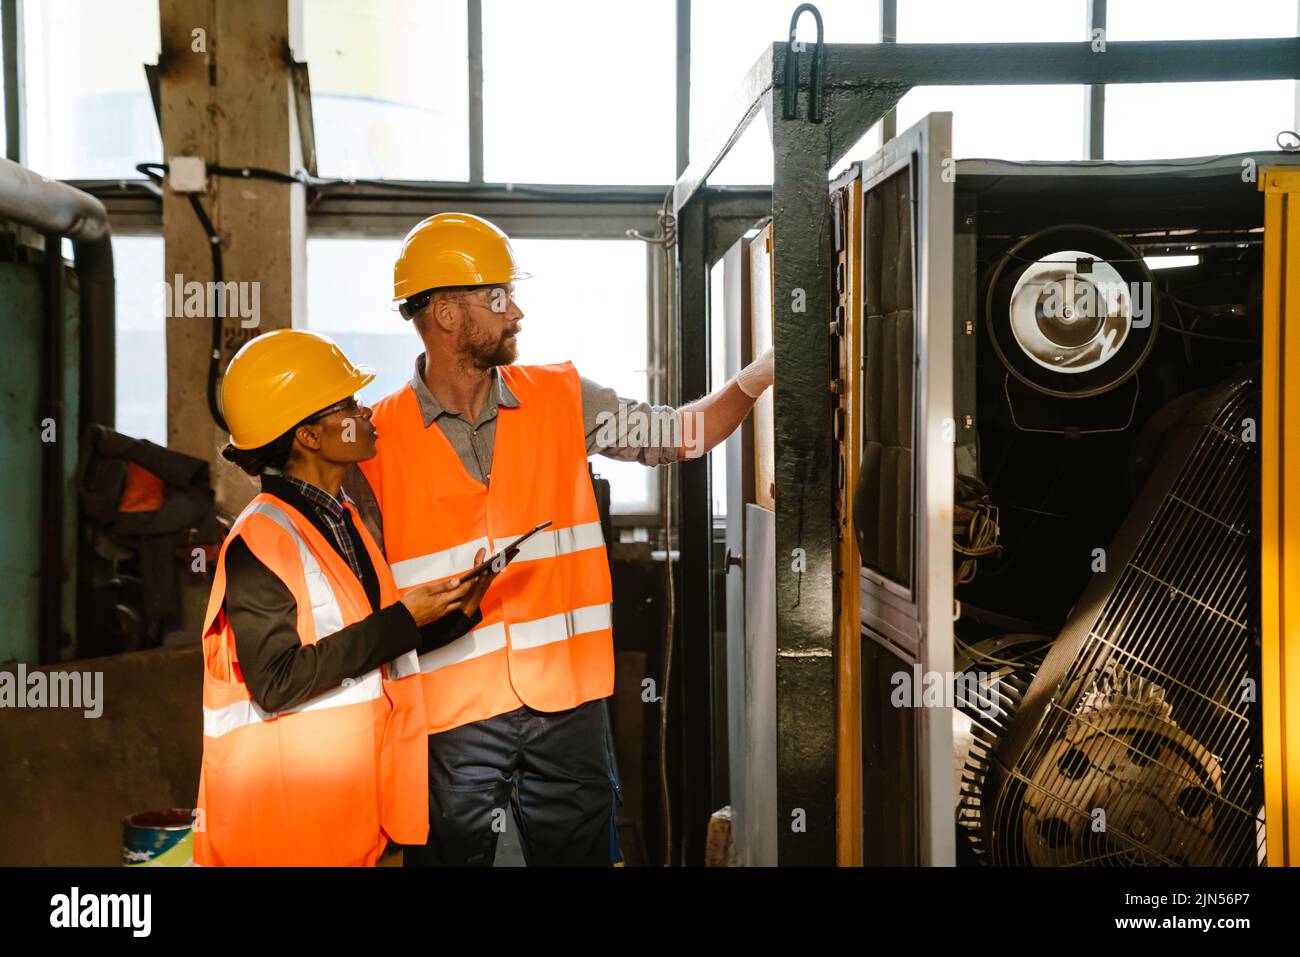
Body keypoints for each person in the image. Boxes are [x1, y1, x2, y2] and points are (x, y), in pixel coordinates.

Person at [345, 212, 774, 866]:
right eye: (496, 297)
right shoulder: (375, 439)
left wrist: (756, 378)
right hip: (451, 716)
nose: (514, 311)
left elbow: (681, 433)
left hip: (566, 707)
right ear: (445, 314)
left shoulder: (560, 397)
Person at [194, 328, 496, 867]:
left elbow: (365, 644)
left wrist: (454, 615)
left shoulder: (341, 517)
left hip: (347, 819)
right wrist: (404, 617)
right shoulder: (260, 540)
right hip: (288, 832)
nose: (368, 413)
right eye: (350, 405)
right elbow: (278, 682)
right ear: (309, 436)